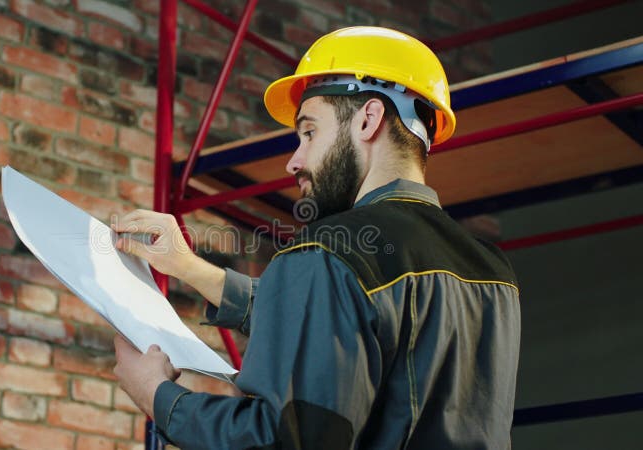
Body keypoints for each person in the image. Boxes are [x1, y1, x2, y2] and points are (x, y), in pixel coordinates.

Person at [112, 26, 521, 449]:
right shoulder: (491, 269)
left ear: (369, 120)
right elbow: (348, 325)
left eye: (309, 132)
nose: (294, 161)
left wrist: (156, 395)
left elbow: (284, 440)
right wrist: (188, 267)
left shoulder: (329, 249)